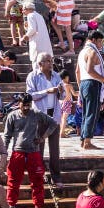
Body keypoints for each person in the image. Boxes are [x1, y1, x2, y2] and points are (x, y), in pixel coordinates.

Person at [3, 93, 57, 208]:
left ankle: (38, 206)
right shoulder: (12, 116)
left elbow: (53, 123)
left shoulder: (36, 114)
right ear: (19, 104)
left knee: (37, 181)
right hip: (18, 152)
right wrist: (3, 153)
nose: (26, 108)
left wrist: (43, 137)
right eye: (24, 105)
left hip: (34, 152)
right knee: (13, 181)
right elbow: (7, 136)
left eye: (28, 105)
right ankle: (11, 205)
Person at [26, 53, 65, 188]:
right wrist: (47, 91)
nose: (50, 63)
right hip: (39, 116)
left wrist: (60, 91)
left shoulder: (56, 75)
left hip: (54, 115)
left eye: (51, 60)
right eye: (47, 61)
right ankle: (38, 176)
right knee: (38, 149)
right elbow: (30, 95)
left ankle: (56, 176)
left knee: (55, 150)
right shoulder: (33, 76)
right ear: (40, 64)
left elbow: (63, 95)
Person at [76, 31, 104, 150]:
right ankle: (87, 142)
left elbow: (77, 72)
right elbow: (90, 70)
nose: (101, 44)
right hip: (92, 83)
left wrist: (80, 87)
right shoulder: (92, 51)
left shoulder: (82, 52)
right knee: (92, 113)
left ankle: (83, 139)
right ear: (94, 40)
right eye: (100, 41)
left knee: (86, 113)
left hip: (84, 83)